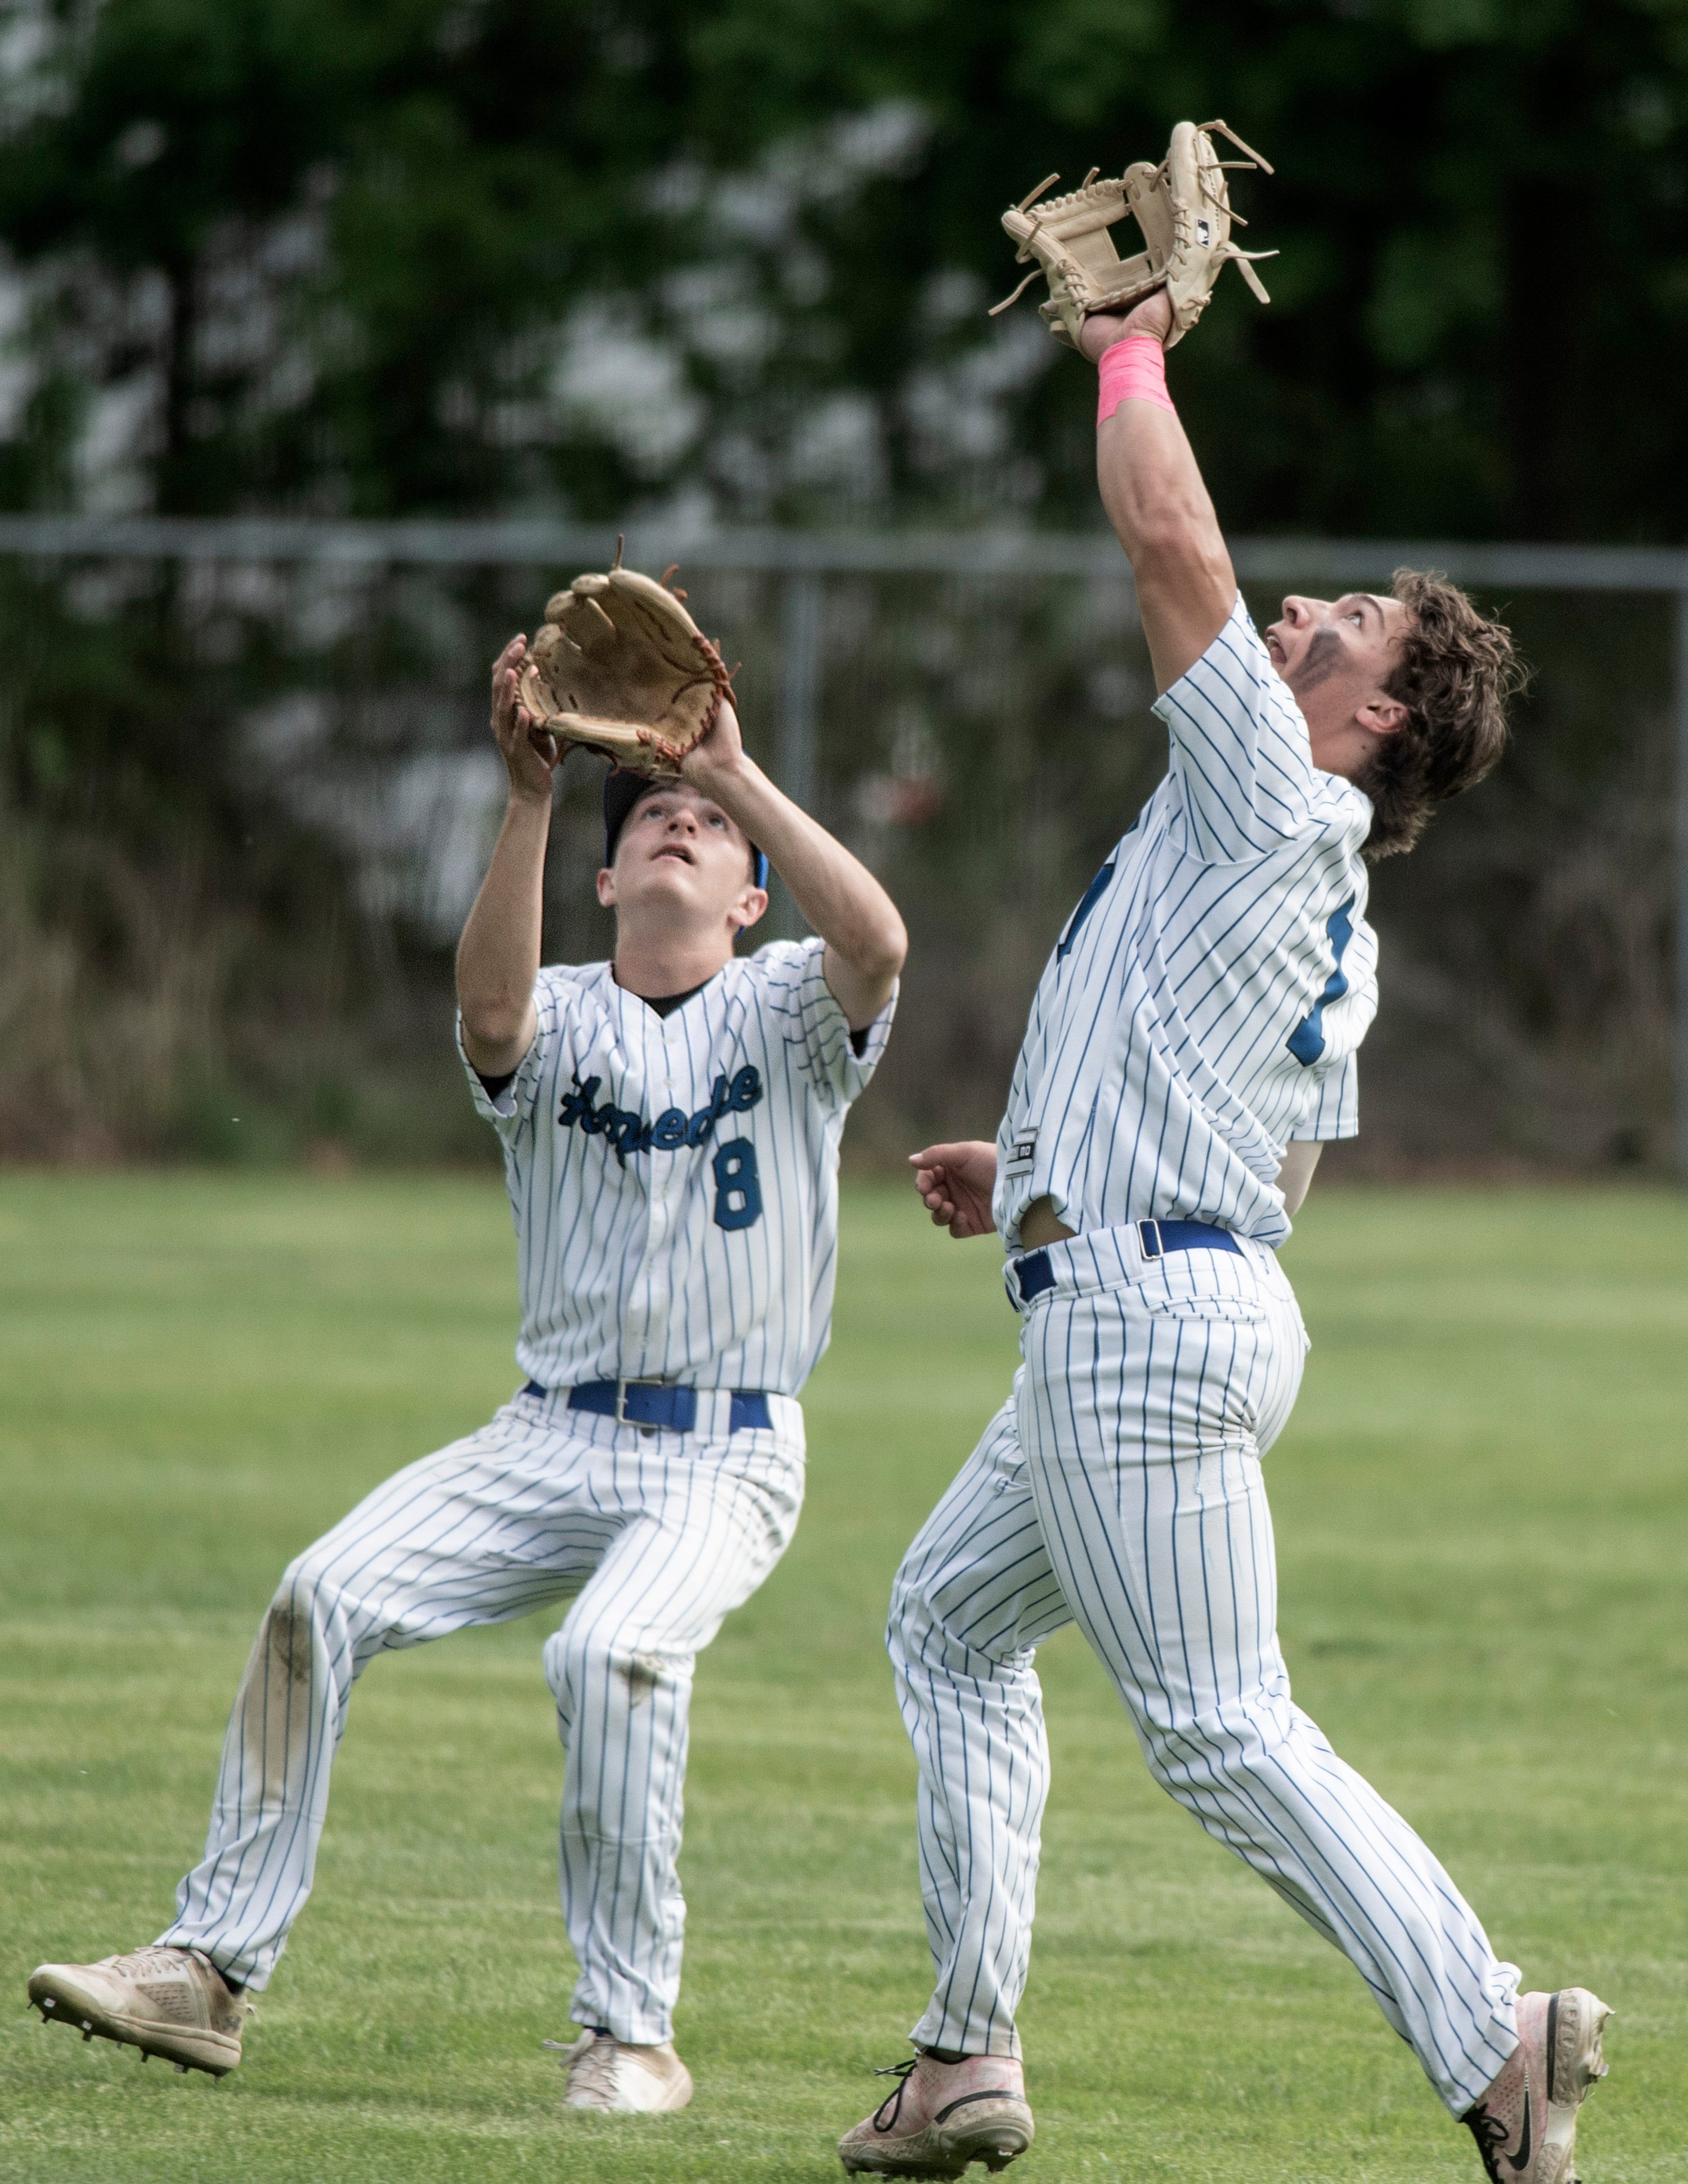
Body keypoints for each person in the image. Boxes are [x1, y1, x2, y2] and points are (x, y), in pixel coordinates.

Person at [837, 288, 1608, 2184]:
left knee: (1218, 1728)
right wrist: (1027, 1161)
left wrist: (1127, 350)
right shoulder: (1316, 883)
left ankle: (1496, 2026)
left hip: (1140, 1316)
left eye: (1340, 622)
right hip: (1174, 1286)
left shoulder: (1279, 787)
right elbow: (1280, 1170)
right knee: (945, 1622)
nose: (1293, 614)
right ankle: (965, 2053)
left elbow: (1170, 533)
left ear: (1378, 714)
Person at [30, 635, 905, 2115]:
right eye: (650, 826)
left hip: (726, 1451)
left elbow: (879, 944)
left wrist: (734, 770)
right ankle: (210, 1968)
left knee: (608, 1652)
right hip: (546, 1437)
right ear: (611, 883)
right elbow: (491, 1021)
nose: (676, 827)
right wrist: (531, 797)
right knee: (322, 1594)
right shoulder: (558, 1010)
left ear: (752, 895)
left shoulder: (794, 1014)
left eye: (706, 828)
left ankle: (629, 2034)